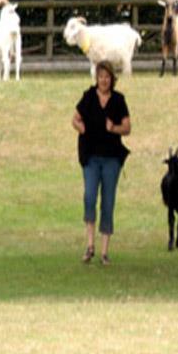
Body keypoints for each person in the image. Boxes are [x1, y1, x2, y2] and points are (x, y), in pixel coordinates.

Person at [72, 60, 131, 265]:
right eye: (101, 77)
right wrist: (82, 129)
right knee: (89, 197)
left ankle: (105, 251)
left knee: (108, 201)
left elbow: (127, 127)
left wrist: (113, 128)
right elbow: (75, 119)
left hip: (111, 159)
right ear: (96, 78)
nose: (104, 80)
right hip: (91, 157)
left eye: (107, 77)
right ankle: (90, 246)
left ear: (112, 79)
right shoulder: (88, 97)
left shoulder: (118, 100)